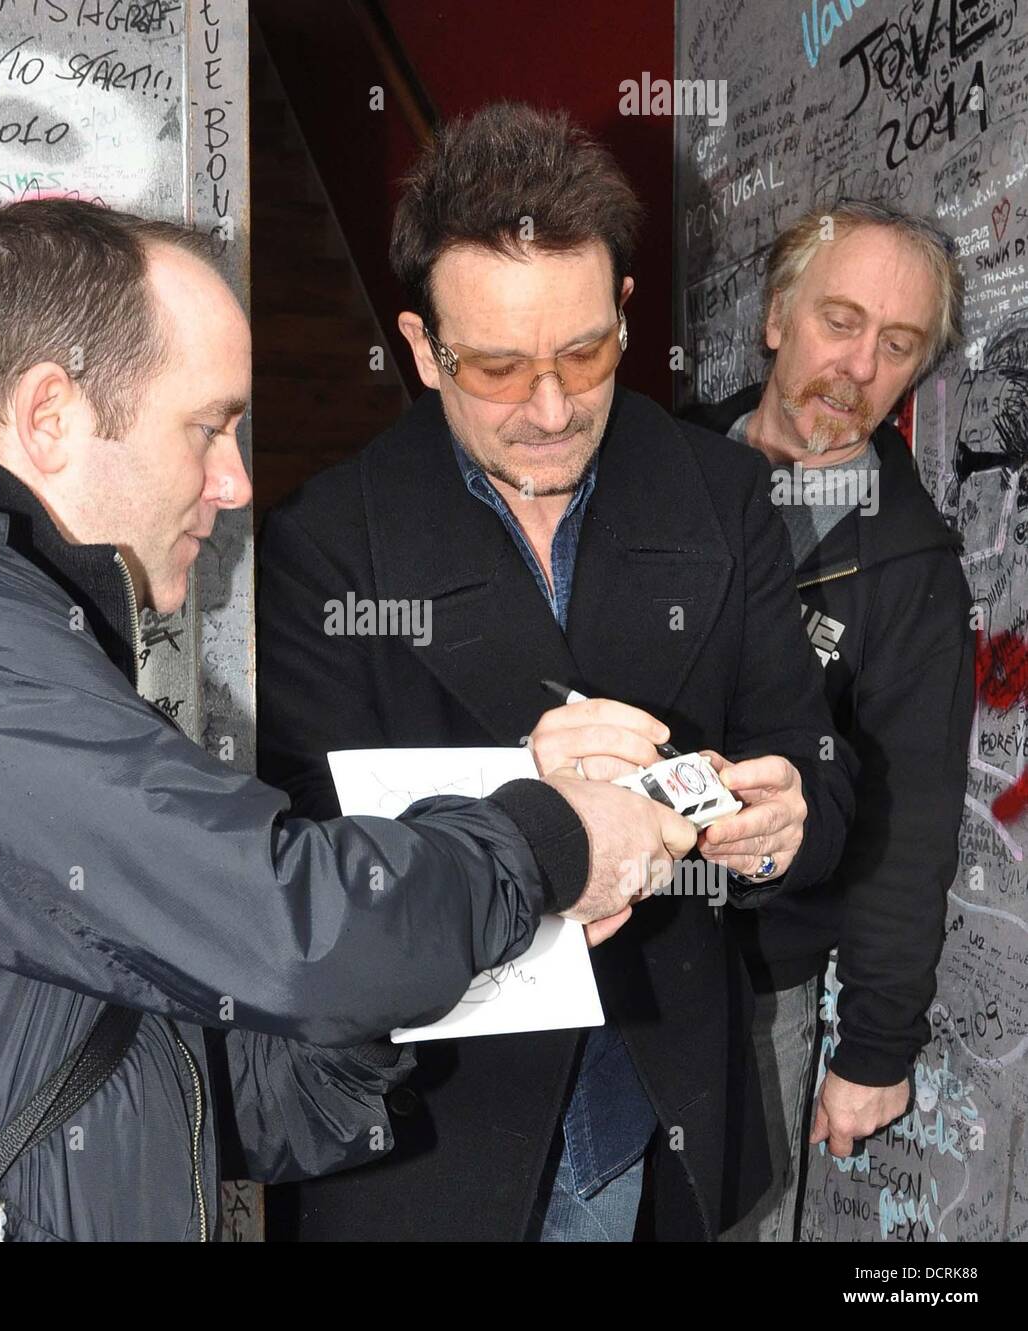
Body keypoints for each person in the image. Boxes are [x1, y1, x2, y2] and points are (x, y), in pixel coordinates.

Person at [0, 198, 658, 1241]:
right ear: (49, 416)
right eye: (207, 425)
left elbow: (203, 1071)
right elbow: (291, 933)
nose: (234, 480)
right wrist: (547, 839)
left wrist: (424, 960)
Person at [256, 102, 857, 1243]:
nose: (547, 408)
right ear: (423, 348)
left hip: (647, 1105)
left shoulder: (718, 498)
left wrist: (779, 821)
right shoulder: (327, 540)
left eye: (582, 353)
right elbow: (296, 873)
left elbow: (822, 790)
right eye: (494, 365)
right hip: (427, 1136)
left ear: (627, 315)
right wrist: (526, 791)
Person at [685, 200, 976, 1241]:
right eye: (837, 320)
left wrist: (874, 1049)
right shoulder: (650, 465)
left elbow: (909, 821)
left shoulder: (910, 569)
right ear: (776, 318)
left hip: (753, 988)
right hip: (584, 942)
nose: (857, 365)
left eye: (895, 344)